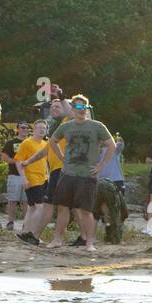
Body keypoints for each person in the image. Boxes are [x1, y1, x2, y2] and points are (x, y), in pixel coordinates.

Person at [37, 94, 115, 250]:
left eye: (85, 107)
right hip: (67, 173)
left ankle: (90, 243)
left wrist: (101, 165)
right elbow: (52, 141)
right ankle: (57, 239)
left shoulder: (97, 126)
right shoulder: (66, 126)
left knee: (85, 210)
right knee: (63, 207)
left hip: (87, 175)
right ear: (72, 109)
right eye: (79, 107)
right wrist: (61, 156)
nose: (82, 110)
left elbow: (111, 145)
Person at [13, 120, 51, 244]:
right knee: (40, 207)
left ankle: (25, 232)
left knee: (32, 207)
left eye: (43, 128)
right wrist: (23, 178)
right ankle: (32, 234)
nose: (41, 130)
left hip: (43, 179)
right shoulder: (27, 143)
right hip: (31, 179)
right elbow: (18, 161)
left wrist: (48, 175)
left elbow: (45, 162)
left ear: (46, 131)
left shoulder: (45, 144)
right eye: (39, 128)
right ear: (33, 130)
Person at [1, 122, 29, 230]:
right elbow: (4, 157)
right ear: (17, 129)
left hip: (28, 175)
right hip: (14, 175)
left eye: (27, 127)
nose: (25, 129)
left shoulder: (31, 142)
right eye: (23, 127)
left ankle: (26, 223)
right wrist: (18, 162)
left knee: (26, 201)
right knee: (12, 200)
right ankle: (10, 222)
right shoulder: (11, 143)